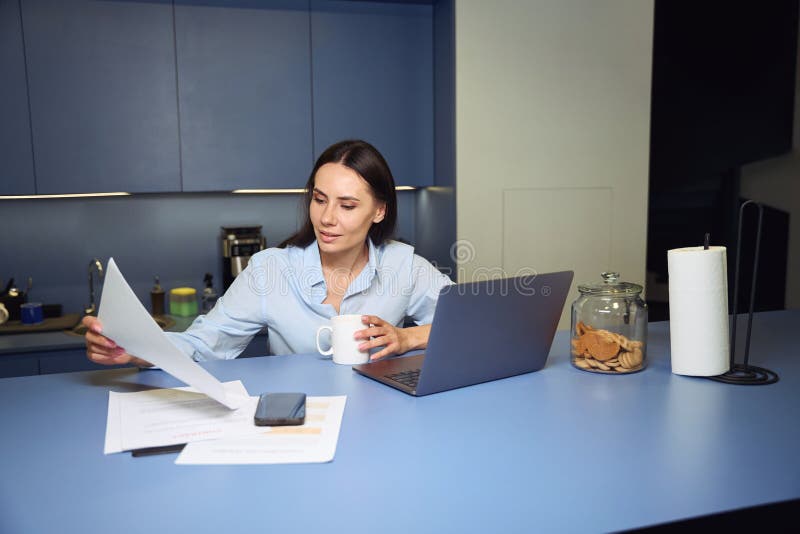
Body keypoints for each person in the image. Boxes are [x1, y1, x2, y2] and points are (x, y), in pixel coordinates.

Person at [83, 139, 453, 367]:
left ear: (379, 211)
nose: (327, 218)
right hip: (302, 423)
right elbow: (202, 343)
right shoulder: (269, 271)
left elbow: (467, 326)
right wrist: (135, 350)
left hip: (382, 422)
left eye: (347, 205)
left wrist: (407, 338)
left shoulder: (403, 265)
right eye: (320, 199)